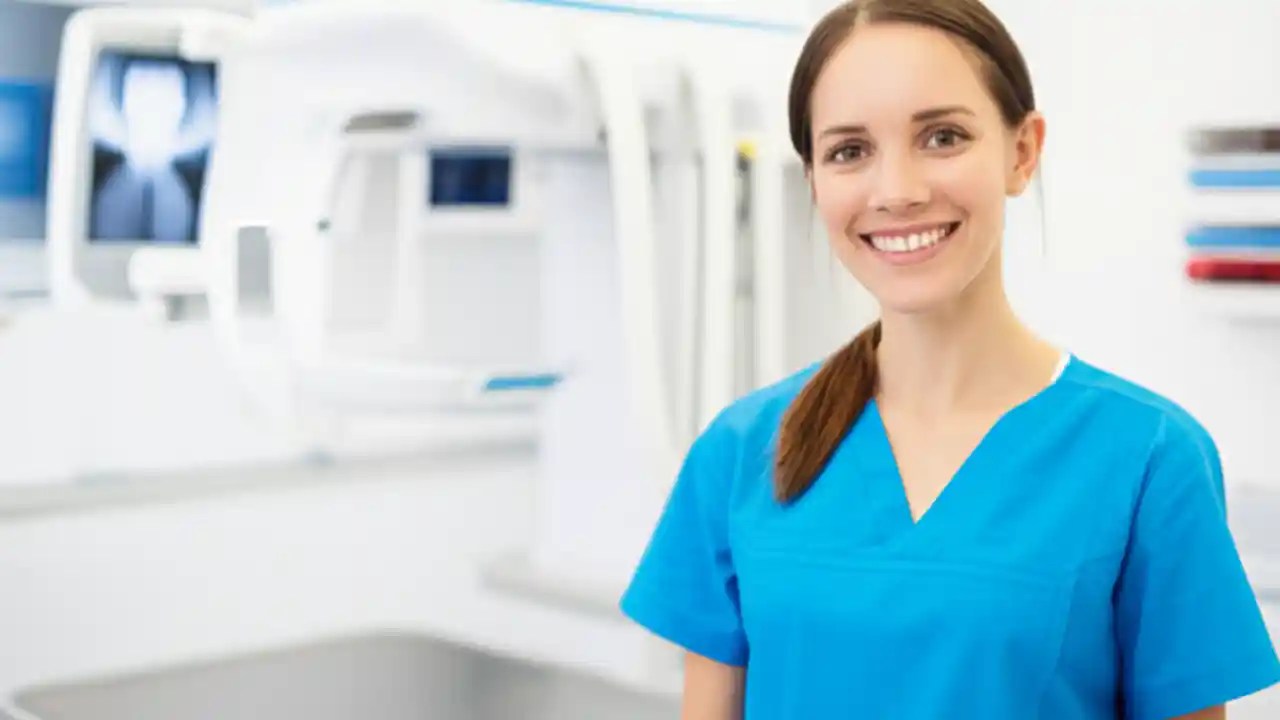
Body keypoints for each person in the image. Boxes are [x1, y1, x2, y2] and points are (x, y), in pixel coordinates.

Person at [618, 1, 1280, 718]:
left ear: (1022, 152)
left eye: (941, 136)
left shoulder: (1147, 459)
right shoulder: (742, 453)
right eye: (848, 150)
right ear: (813, 180)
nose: (897, 190)